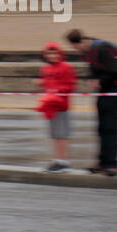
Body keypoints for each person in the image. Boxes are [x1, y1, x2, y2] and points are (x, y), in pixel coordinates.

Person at [67, 29, 117, 176]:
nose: (77, 50)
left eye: (76, 47)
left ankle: (113, 165)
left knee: (111, 127)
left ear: (82, 42)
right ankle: (102, 163)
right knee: (101, 127)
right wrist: (92, 79)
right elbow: (94, 70)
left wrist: (98, 81)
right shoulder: (88, 52)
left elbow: (113, 71)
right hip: (103, 91)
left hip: (114, 90)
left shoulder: (100, 48)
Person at [35, 42, 76, 172]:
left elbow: (70, 86)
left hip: (61, 105)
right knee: (55, 134)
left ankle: (63, 161)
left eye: (54, 53)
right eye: (49, 53)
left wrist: (56, 90)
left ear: (60, 54)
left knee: (61, 134)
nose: (52, 56)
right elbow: (47, 84)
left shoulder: (66, 67)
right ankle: (57, 159)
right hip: (50, 105)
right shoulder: (45, 69)